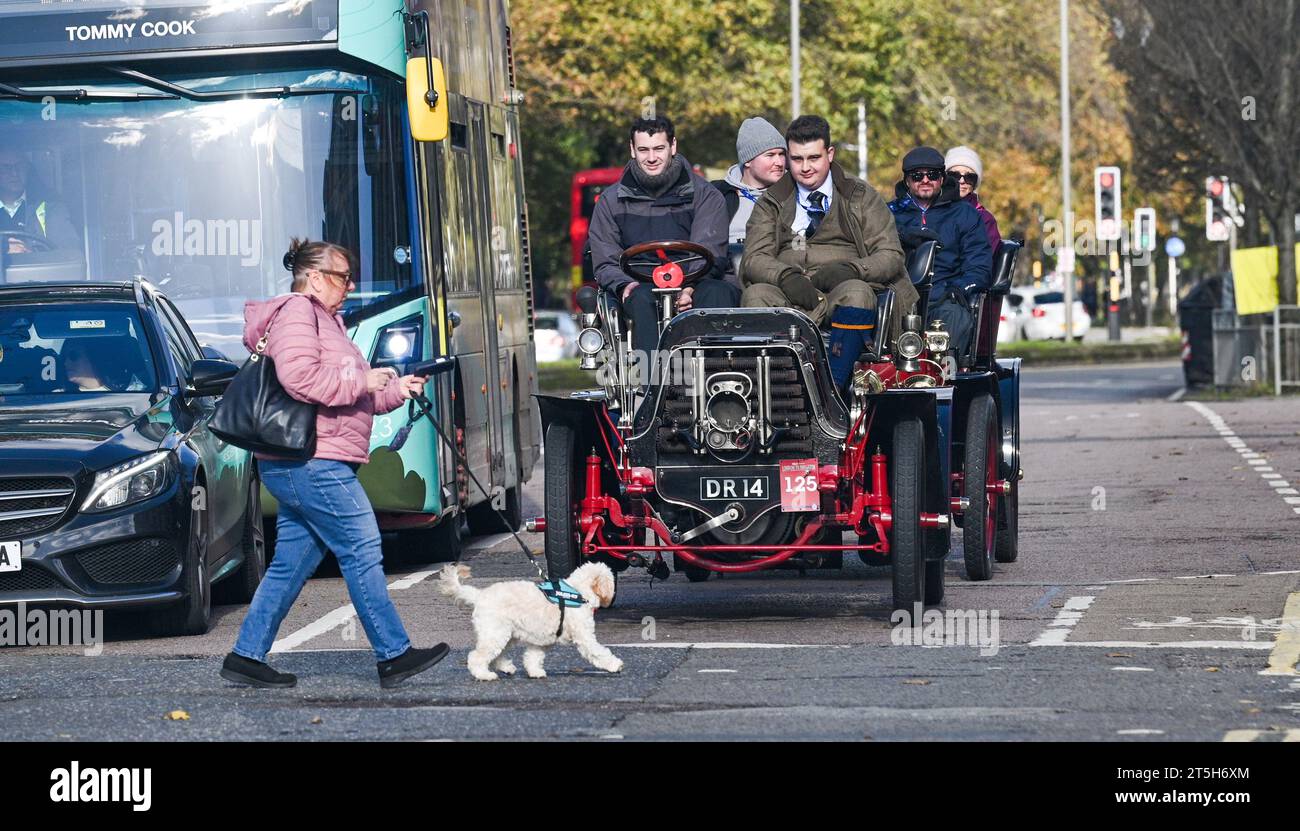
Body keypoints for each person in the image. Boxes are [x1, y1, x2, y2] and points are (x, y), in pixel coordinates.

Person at [222, 238, 449, 690]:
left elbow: (349, 394)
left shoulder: (328, 320)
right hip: (310, 461)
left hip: (309, 460)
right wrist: (361, 377)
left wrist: (394, 390)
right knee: (362, 548)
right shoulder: (297, 313)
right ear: (315, 277)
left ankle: (245, 657)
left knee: (289, 564)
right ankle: (393, 654)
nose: (350, 285)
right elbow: (301, 378)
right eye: (343, 277)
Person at [740, 115, 912, 385]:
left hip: (842, 291)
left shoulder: (860, 196)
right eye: (797, 159)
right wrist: (784, 276)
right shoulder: (771, 201)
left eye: (814, 158)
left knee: (857, 293)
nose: (805, 167)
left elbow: (890, 255)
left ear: (829, 154)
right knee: (755, 295)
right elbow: (754, 258)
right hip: (788, 293)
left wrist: (853, 269)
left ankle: (833, 391)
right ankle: (777, 391)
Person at [586, 115, 739, 369]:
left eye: (659, 148)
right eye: (644, 150)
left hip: (697, 280)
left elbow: (709, 250)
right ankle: (654, 389)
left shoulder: (704, 195)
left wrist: (688, 288)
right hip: (640, 283)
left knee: (719, 292)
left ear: (673, 147)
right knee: (641, 299)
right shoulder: (611, 201)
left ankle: (717, 380)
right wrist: (624, 285)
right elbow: (605, 259)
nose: (652, 157)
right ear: (632, 150)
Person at [888, 146, 992, 358]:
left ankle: (941, 375)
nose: (925, 180)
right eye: (917, 176)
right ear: (907, 181)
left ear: (942, 179)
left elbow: (979, 266)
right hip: (897, 297)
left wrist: (958, 289)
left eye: (932, 175)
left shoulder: (966, 214)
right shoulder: (888, 214)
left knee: (953, 317)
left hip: (944, 296)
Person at [712, 117, 787, 275]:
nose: (779, 162)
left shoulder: (794, 193)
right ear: (747, 161)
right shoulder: (719, 195)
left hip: (779, 276)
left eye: (782, 154)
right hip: (729, 279)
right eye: (770, 155)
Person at [0, 148, 81, 254]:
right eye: (6, 168)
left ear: (28, 168)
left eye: (20, 166)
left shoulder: (51, 206)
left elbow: (69, 253)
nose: (14, 173)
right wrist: (3, 248)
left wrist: (29, 253)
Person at [945, 145, 1001, 253]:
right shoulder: (930, 210)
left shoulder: (985, 219)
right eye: (954, 175)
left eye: (969, 177)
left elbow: (984, 260)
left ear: (975, 183)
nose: (961, 181)